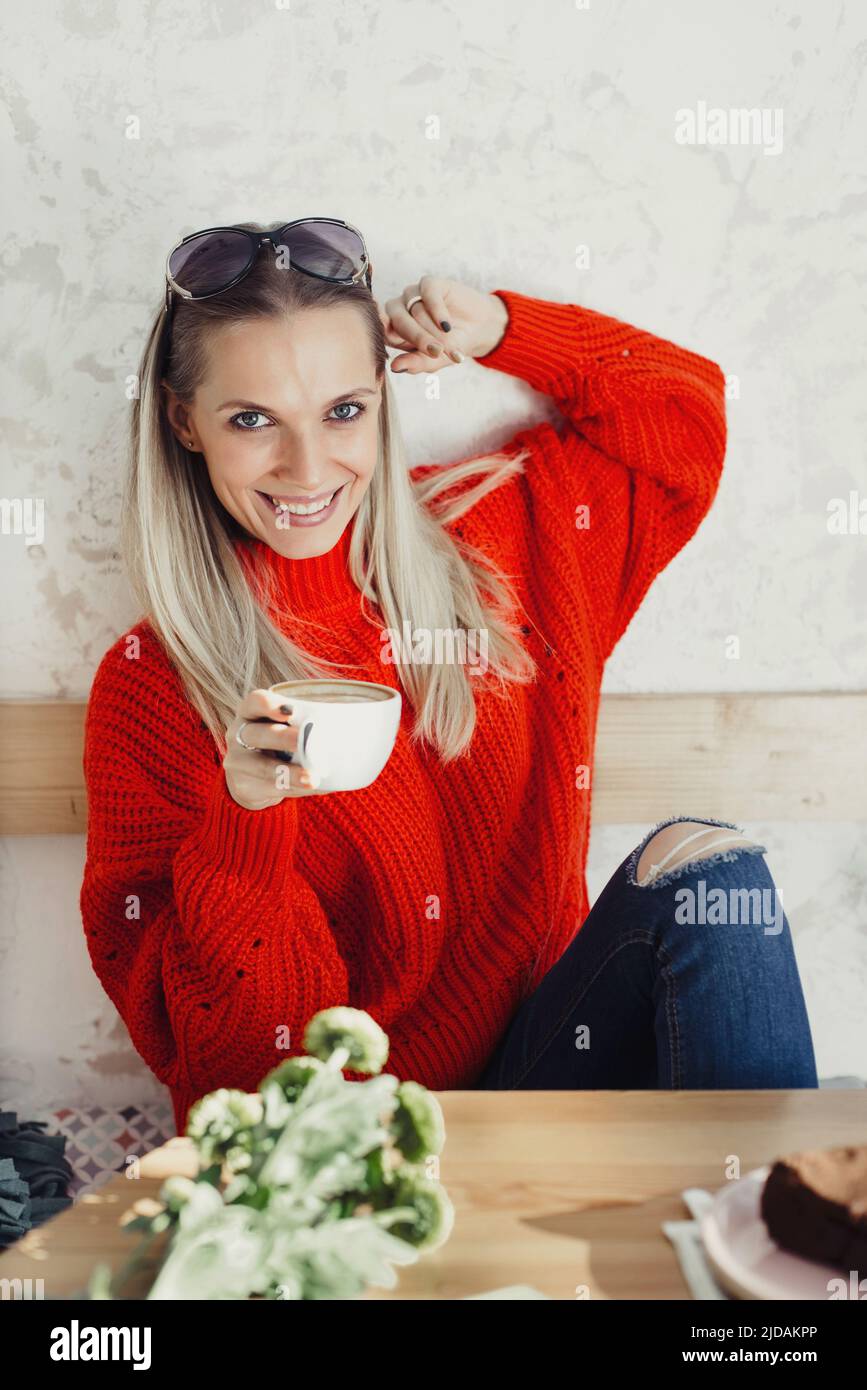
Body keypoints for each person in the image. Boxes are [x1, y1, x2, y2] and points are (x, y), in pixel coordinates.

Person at [80, 218, 817, 1136]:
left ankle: (779, 1252)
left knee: (714, 875)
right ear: (184, 421)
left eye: (343, 410)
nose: (308, 468)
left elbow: (683, 424)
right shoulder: (152, 688)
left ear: (384, 398)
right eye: (252, 420)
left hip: (547, 1078)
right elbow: (236, 1072)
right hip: (334, 1148)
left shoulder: (498, 542)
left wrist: (507, 330)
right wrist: (246, 828)